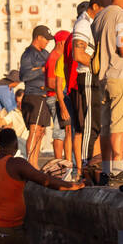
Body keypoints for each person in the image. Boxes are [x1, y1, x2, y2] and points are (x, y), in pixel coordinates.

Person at [91, 0, 123, 185]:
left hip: (103, 77)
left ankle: (107, 170)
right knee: (119, 125)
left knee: (106, 125)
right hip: (121, 75)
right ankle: (117, 170)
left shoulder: (99, 17)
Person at [68, 0, 111, 179]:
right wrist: (97, 65)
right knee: (89, 125)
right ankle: (85, 164)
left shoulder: (93, 23)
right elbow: (78, 54)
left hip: (96, 77)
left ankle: (94, 164)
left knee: (98, 124)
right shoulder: (83, 24)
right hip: (87, 76)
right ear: (95, 7)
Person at [18, 25, 53, 166]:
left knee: (41, 131)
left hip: (45, 96)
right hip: (34, 96)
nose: (47, 42)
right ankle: (30, 163)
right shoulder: (28, 54)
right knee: (34, 129)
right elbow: (25, 75)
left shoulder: (45, 53)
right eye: (46, 39)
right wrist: (42, 69)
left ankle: (35, 163)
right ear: (38, 37)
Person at [45, 29, 72, 169]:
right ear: (62, 42)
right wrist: (61, 86)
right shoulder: (55, 57)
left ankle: (62, 162)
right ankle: (59, 162)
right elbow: (50, 82)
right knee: (60, 131)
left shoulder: (58, 56)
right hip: (55, 98)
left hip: (58, 96)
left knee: (64, 130)